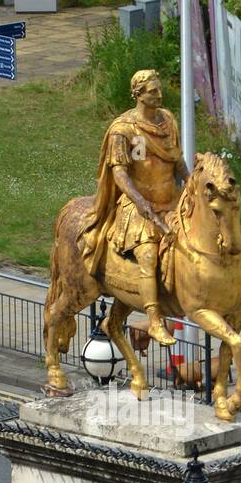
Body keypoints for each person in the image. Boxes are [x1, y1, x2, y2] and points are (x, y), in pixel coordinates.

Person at [78, 69, 189, 346]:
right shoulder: (123, 130)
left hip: (171, 202)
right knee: (149, 255)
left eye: (159, 89)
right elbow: (120, 173)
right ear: (138, 94)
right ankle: (154, 321)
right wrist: (140, 202)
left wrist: (191, 183)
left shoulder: (168, 122)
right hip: (139, 207)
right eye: (153, 91)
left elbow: (177, 161)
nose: (159, 94)